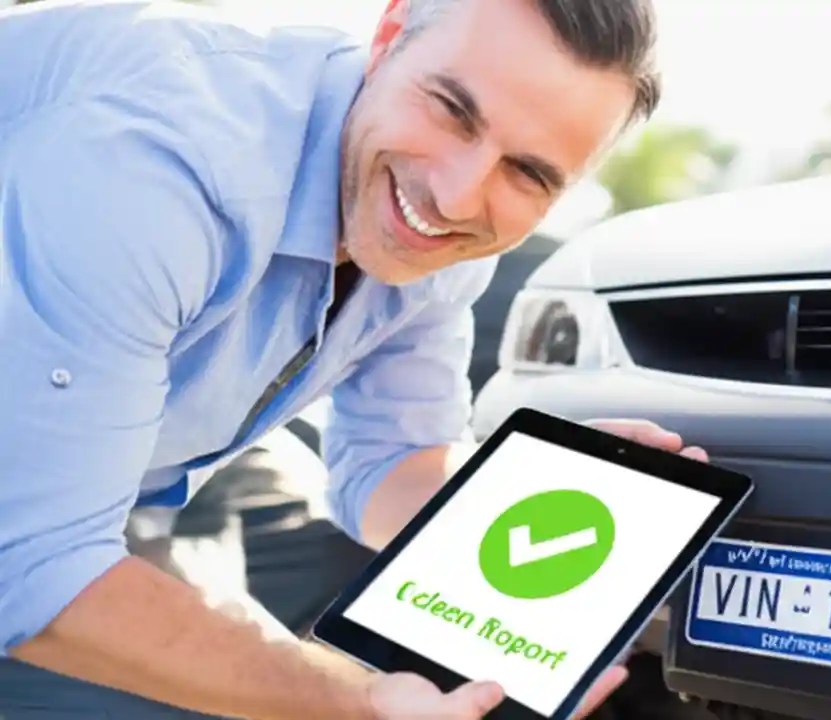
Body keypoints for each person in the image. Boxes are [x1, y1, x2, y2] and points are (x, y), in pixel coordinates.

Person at [0, 0, 708, 717]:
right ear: (390, 35)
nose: (458, 194)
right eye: (453, 111)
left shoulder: (442, 240)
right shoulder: (157, 170)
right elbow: (32, 567)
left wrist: (538, 496)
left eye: (527, 172)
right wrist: (360, 701)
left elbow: (387, 465)